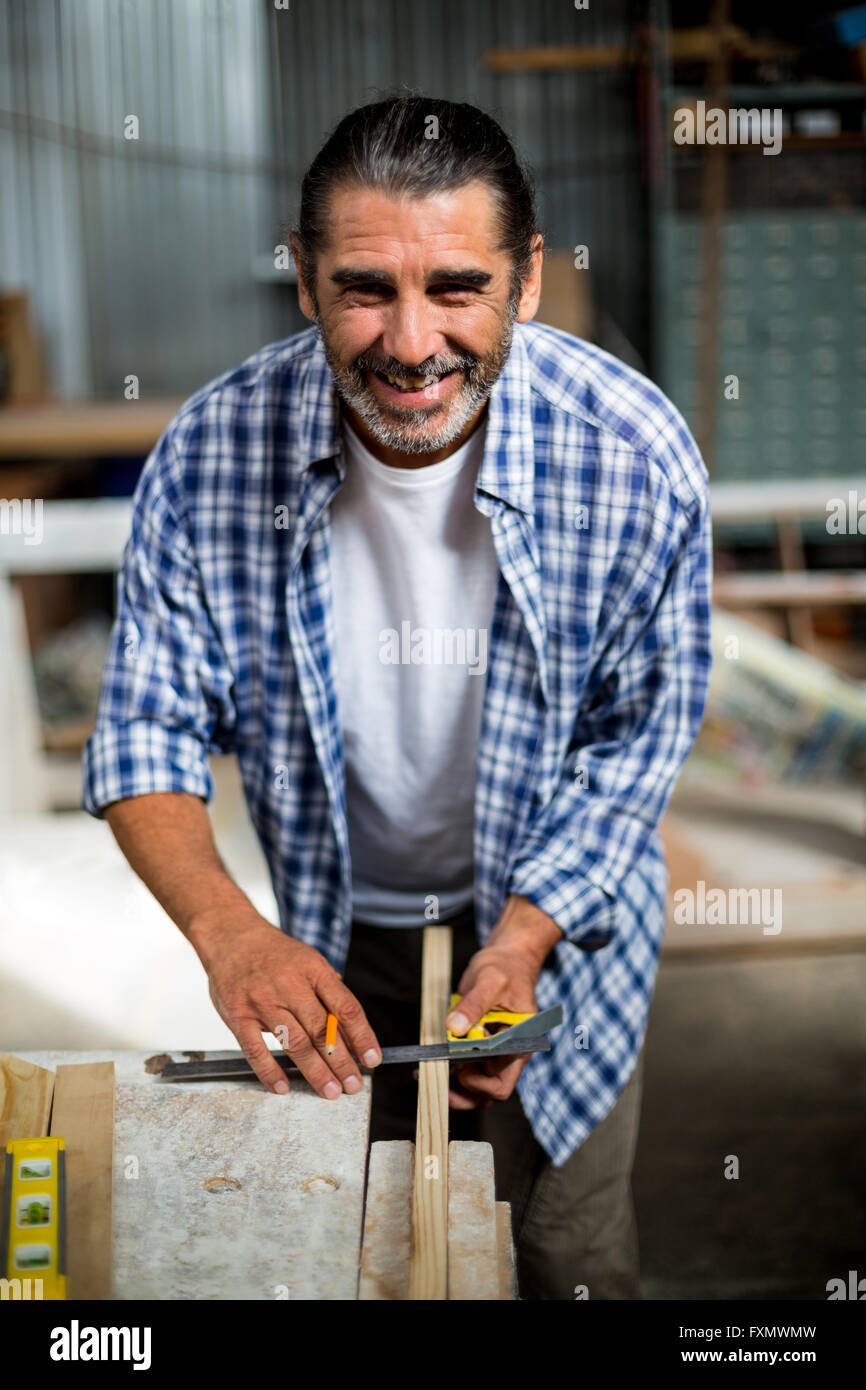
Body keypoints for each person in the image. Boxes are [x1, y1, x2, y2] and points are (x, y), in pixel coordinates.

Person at [82, 94, 712, 1300]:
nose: (411, 342)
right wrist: (231, 935)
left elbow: (636, 740)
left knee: (564, 1258)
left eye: (457, 287)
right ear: (305, 281)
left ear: (525, 281)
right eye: (366, 287)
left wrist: (523, 938)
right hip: (323, 931)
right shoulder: (215, 450)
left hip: (560, 934)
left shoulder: (631, 452)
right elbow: (146, 728)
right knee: (353, 1253)